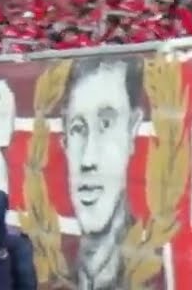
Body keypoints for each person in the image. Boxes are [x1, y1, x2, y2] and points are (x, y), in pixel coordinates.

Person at [61, 57, 143, 290]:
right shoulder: (61, 268)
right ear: (64, 140)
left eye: (106, 124)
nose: (88, 160)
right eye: (78, 129)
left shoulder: (154, 268)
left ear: (132, 130)